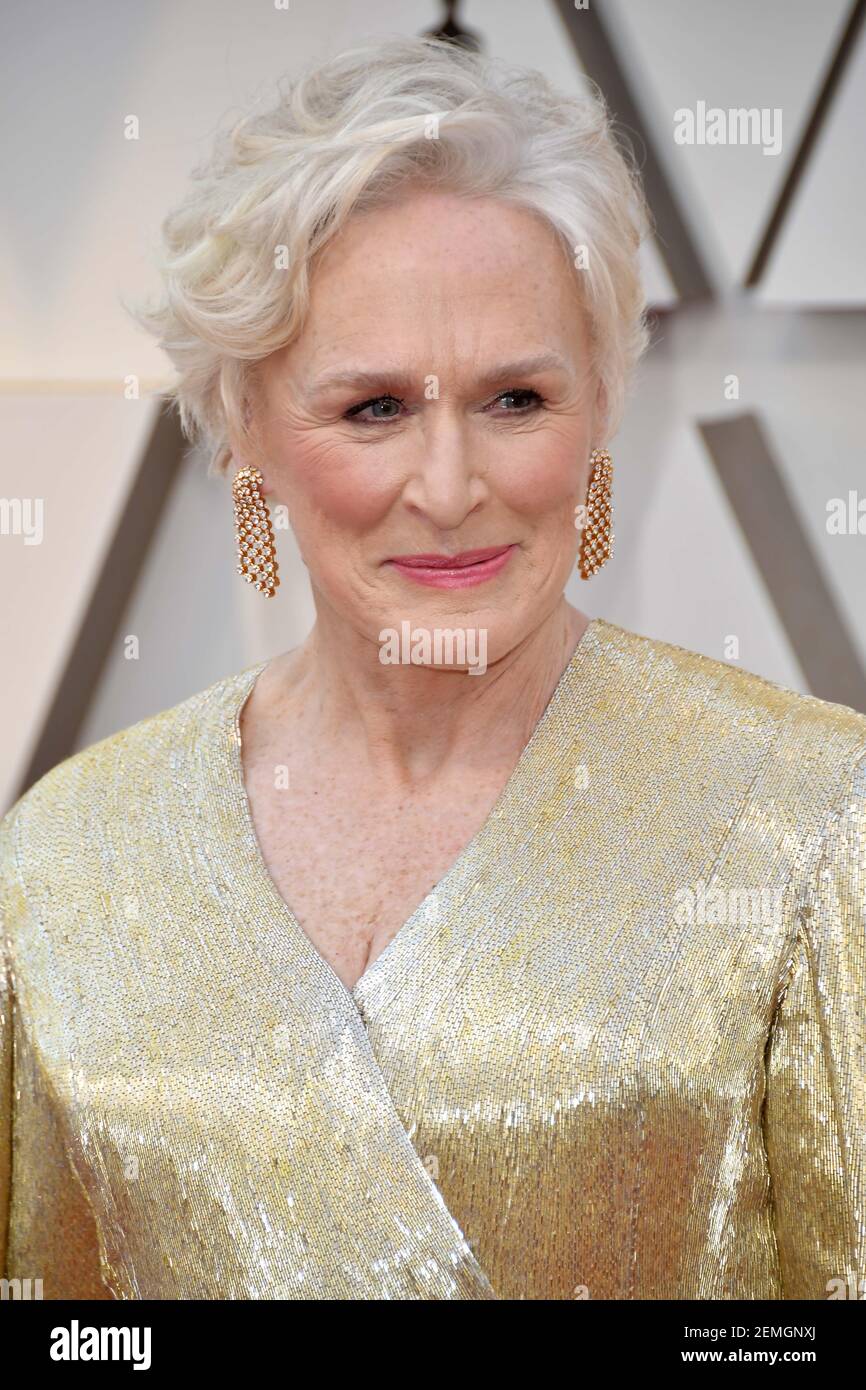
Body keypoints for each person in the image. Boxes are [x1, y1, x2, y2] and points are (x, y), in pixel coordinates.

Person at [1, 34, 863, 1301]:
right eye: (372, 409)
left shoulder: (805, 820)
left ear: (599, 411)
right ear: (249, 439)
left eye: (515, 398)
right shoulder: (72, 859)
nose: (452, 488)